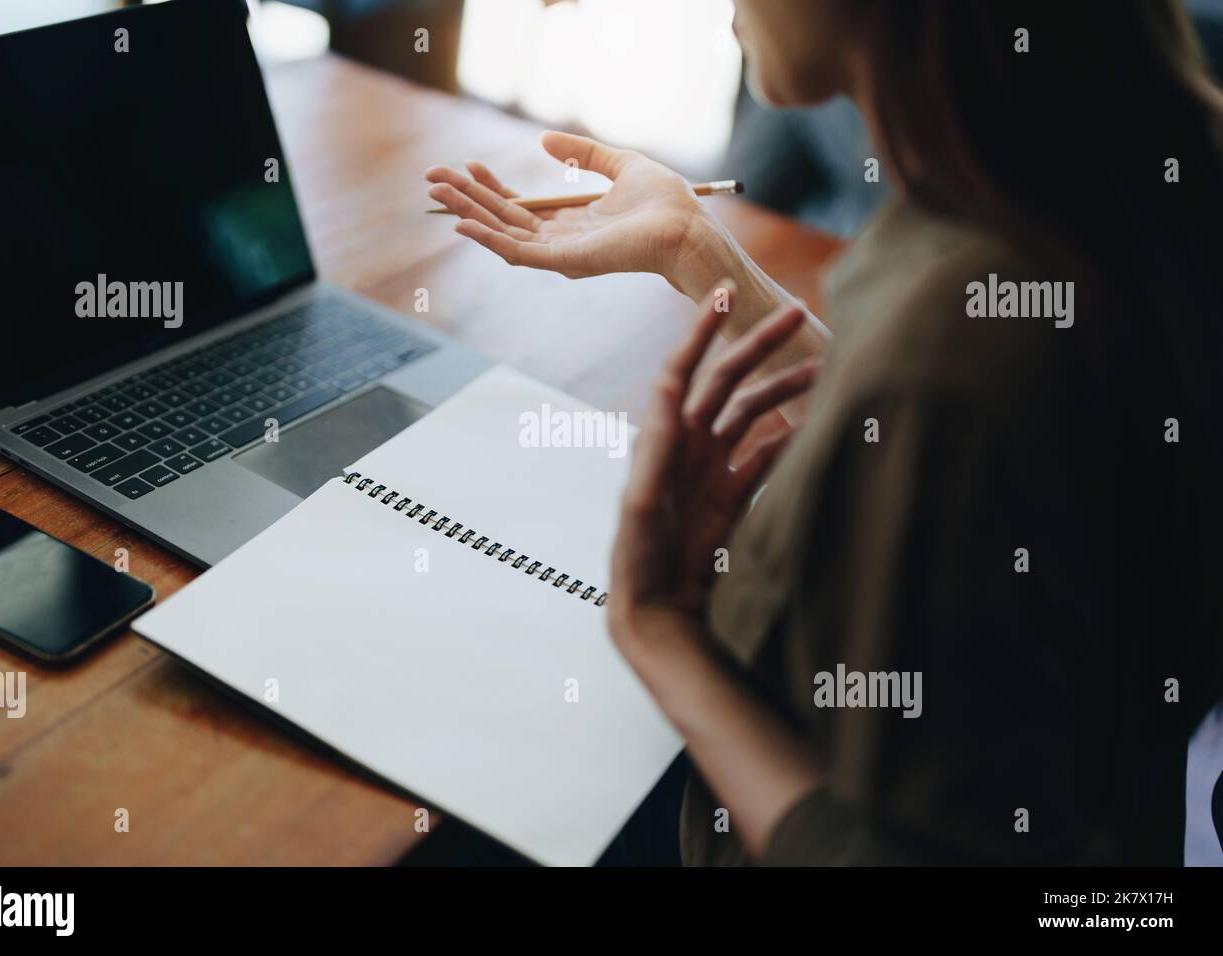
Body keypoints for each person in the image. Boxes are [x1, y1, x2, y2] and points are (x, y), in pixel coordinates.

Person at [426, 0, 1223, 865]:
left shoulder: (957, 350)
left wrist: (658, 635)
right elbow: (950, 454)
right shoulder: (1125, 173)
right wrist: (694, 248)